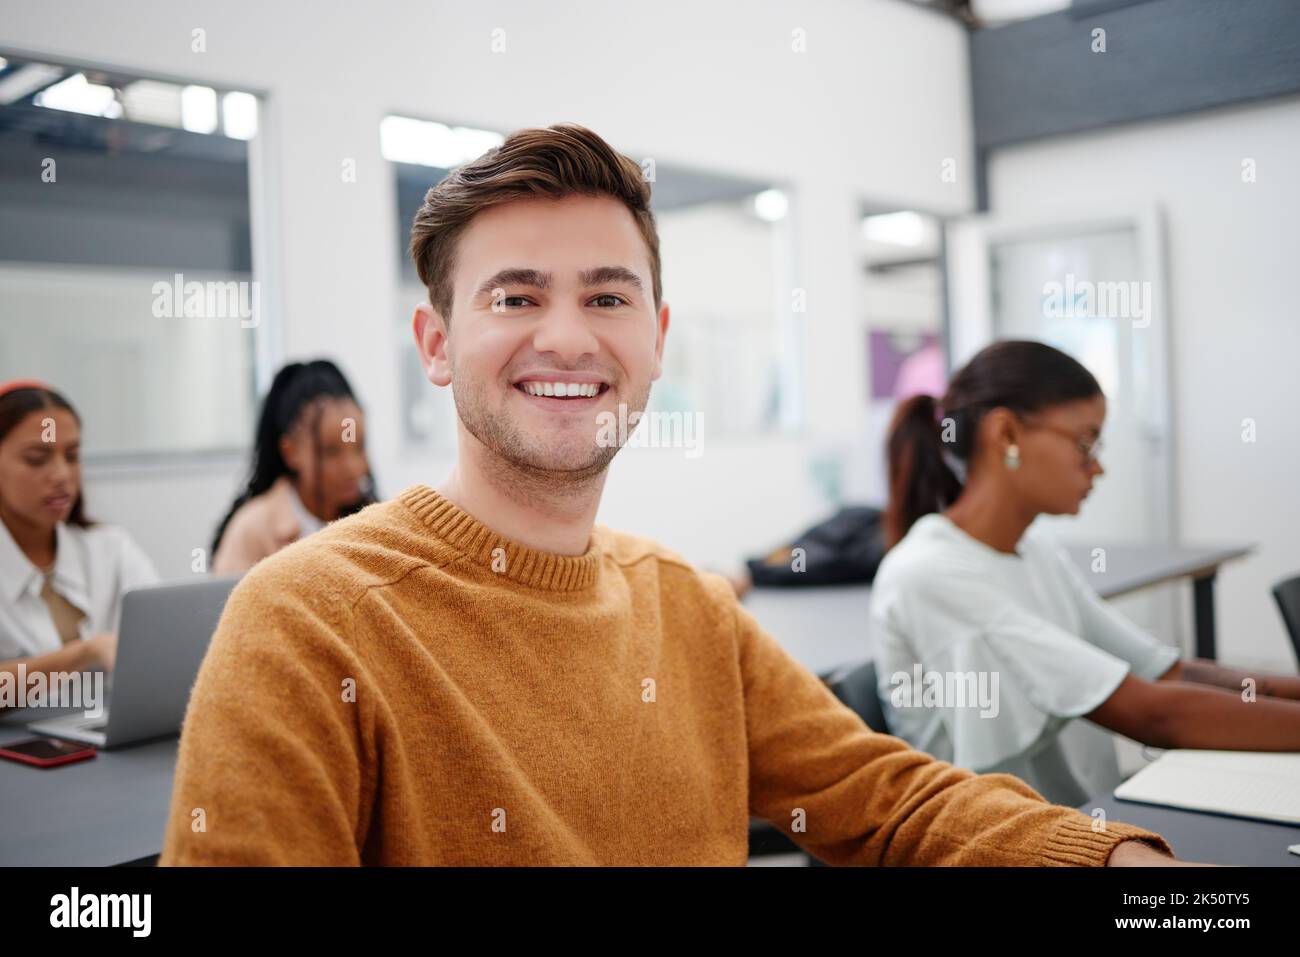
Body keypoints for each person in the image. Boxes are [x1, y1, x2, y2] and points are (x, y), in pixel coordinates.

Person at [161, 125, 1186, 866]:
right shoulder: (304, 623)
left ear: (655, 338)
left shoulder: (687, 607)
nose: (566, 337)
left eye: (607, 296)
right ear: (435, 345)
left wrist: (1115, 868)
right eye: (515, 296)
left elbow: (885, 800)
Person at [873, 340, 1300, 807]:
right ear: (1006, 434)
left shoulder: (1034, 552)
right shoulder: (930, 574)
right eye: (1084, 442)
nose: (1098, 467)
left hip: (1079, 824)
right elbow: (1151, 713)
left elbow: (1167, 671)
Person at [0, 380, 157, 697]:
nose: (61, 475)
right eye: (36, 459)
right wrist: (86, 652)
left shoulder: (110, 547)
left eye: (71, 456)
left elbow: (165, 638)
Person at [210, 359, 377, 575]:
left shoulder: (372, 523)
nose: (353, 468)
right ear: (291, 452)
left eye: (359, 447)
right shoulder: (251, 530)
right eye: (331, 452)